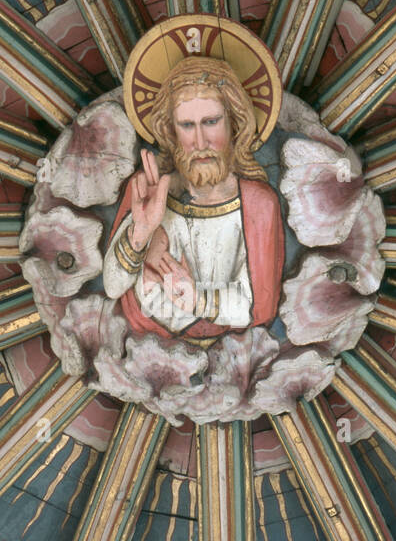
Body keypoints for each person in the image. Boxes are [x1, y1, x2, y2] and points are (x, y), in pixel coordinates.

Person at [102, 57, 284, 341]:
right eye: (187, 125)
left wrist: (198, 300)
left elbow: (257, 305)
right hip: (152, 354)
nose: (200, 142)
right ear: (171, 133)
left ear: (235, 124)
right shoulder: (151, 191)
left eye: (211, 122)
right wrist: (140, 233)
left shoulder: (258, 204)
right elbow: (113, 287)